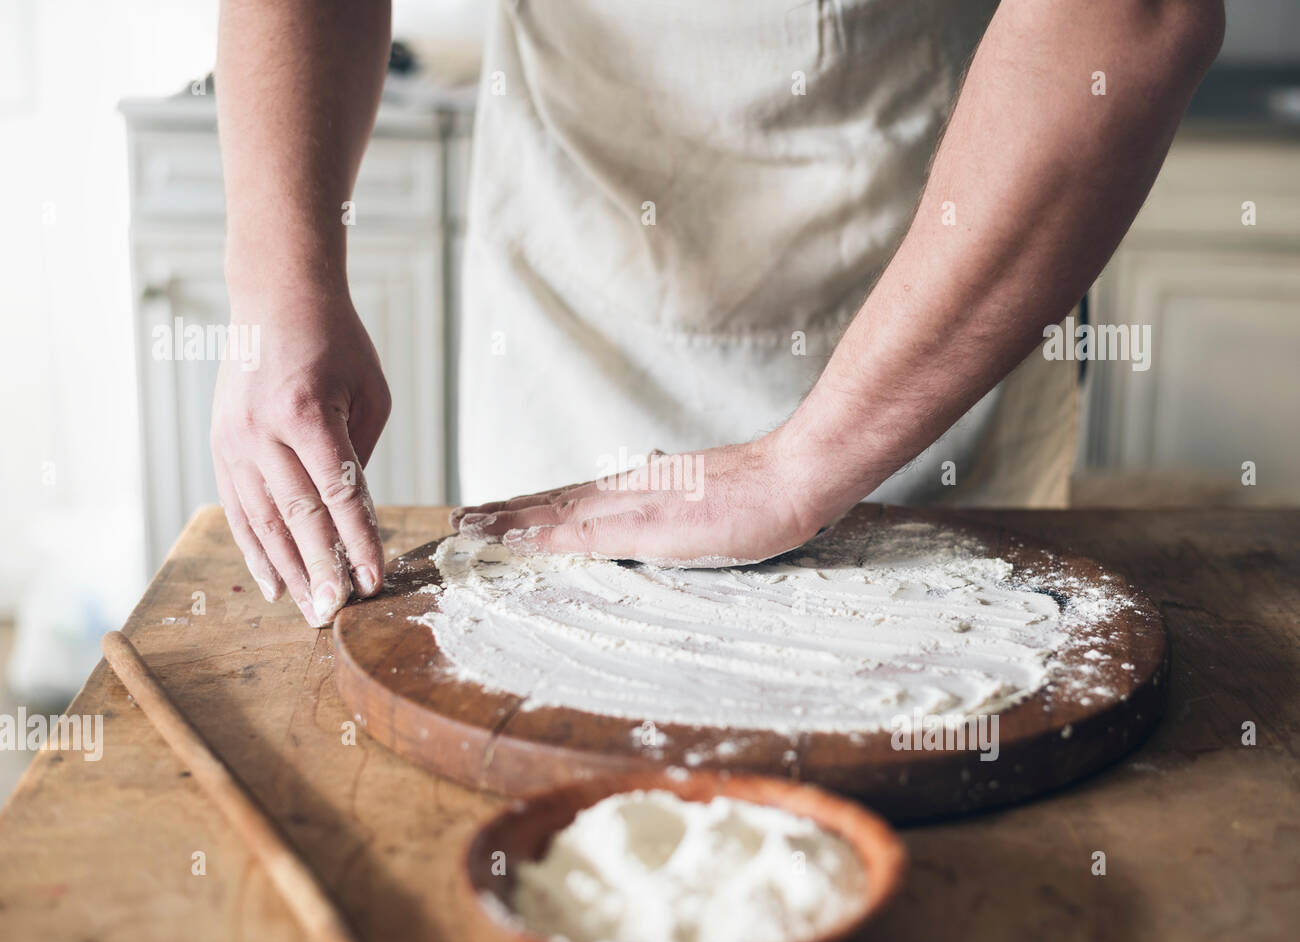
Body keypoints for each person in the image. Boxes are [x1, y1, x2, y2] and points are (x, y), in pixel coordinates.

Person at [212, 0, 1224, 627]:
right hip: (568, 321)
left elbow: (1129, 15)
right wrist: (278, 278)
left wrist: (802, 464)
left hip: (926, 341)